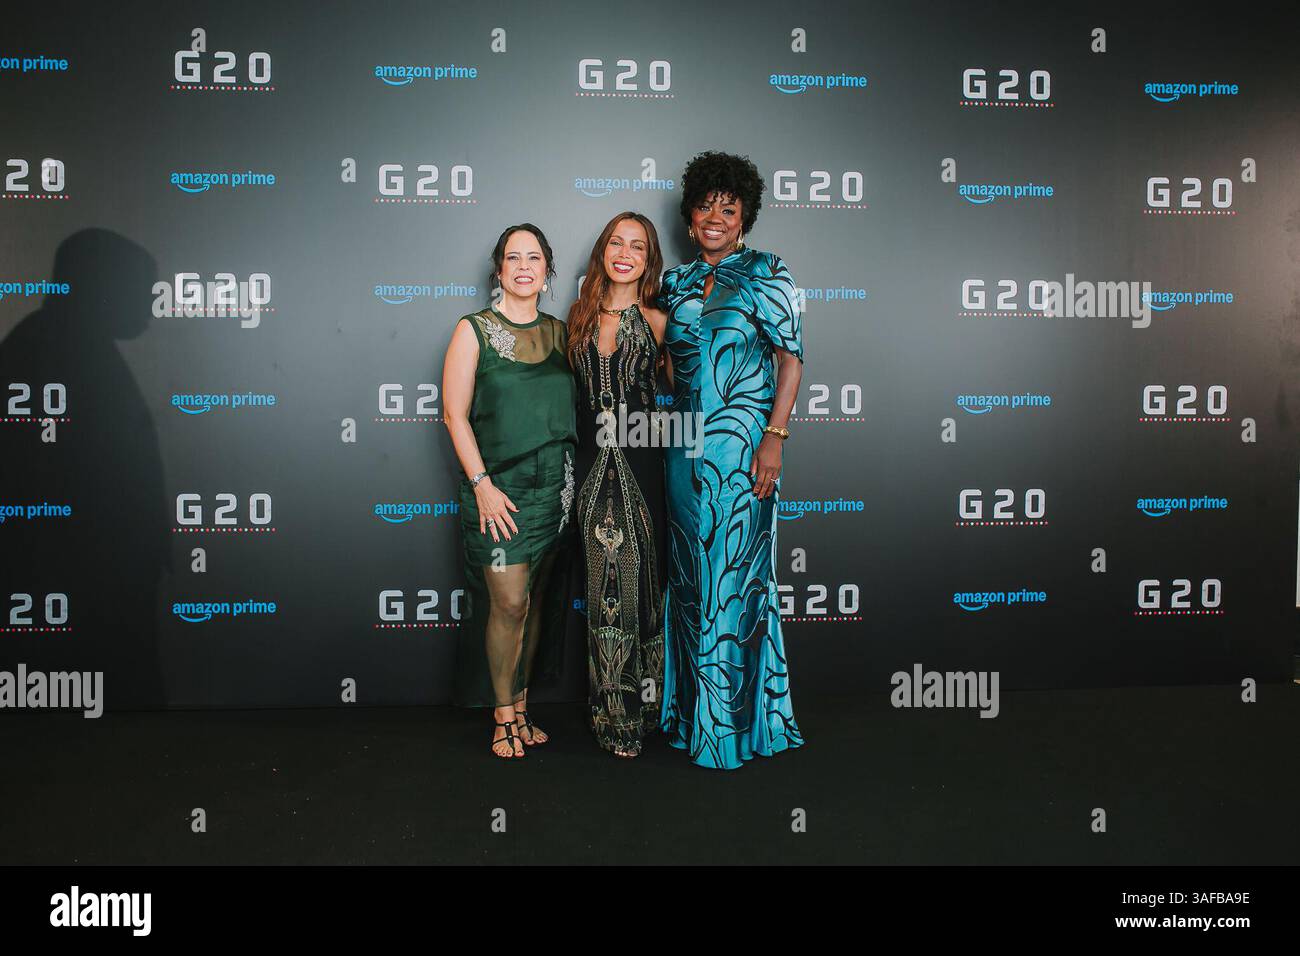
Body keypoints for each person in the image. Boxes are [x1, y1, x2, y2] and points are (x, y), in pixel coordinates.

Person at [657, 151, 806, 770]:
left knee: (737, 582)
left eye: (729, 207)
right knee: (691, 582)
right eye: (705, 207)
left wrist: (775, 436)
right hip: (683, 452)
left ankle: (739, 727)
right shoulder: (675, 284)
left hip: (745, 451)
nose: (715, 217)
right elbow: (668, 370)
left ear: (745, 217)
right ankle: (693, 719)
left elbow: (790, 361)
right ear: (689, 218)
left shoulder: (769, 273)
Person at [441, 223, 577, 758]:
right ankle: (501, 716)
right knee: (508, 602)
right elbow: (454, 414)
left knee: (537, 599)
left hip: (557, 487)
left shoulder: (565, 332)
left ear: (547, 271)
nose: (524, 266)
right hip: (500, 490)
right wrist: (482, 486)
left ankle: (521, 705)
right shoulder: (472, 329)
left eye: (535, 258)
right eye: (513, 257)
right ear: (499, 270)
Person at [567, 212, 668, 758]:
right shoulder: (578, 316)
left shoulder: (658, 320)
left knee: (638, 590)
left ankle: (642, 710)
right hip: (588, 472)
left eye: (637, 246)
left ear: (650, 258)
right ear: (602, 250)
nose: (624, 253)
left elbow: (691, 390)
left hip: (642, 468)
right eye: (616, 243)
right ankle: (609, 713)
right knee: (604, 594)